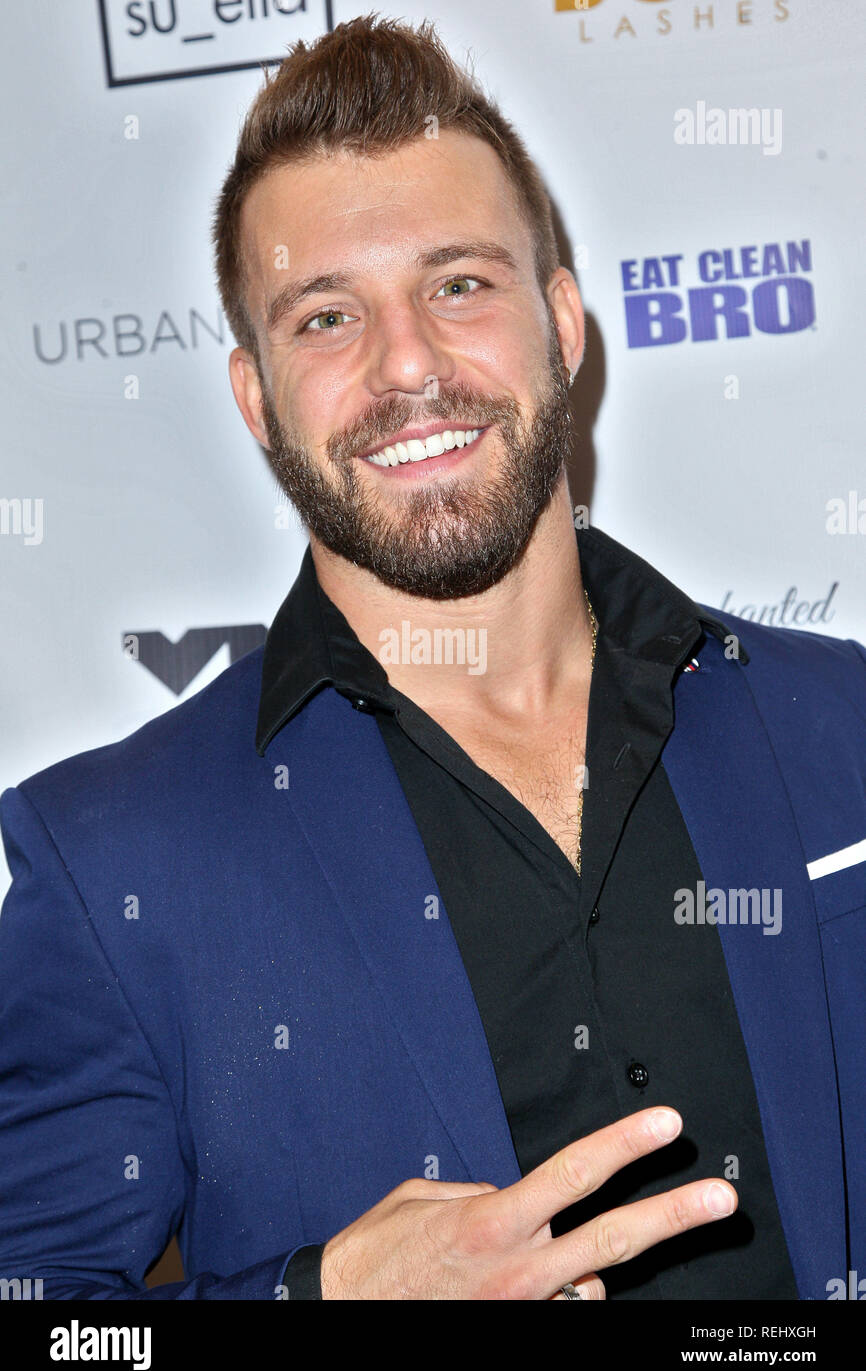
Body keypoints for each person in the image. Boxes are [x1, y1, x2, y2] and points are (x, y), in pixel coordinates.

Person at [1, 14, 863, 1302]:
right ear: (254, 399)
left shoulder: (843, 723)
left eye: (458, 284)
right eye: (327, 317)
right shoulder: (111, 857)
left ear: (563, 325)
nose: (408, 365)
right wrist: (319, 1302)